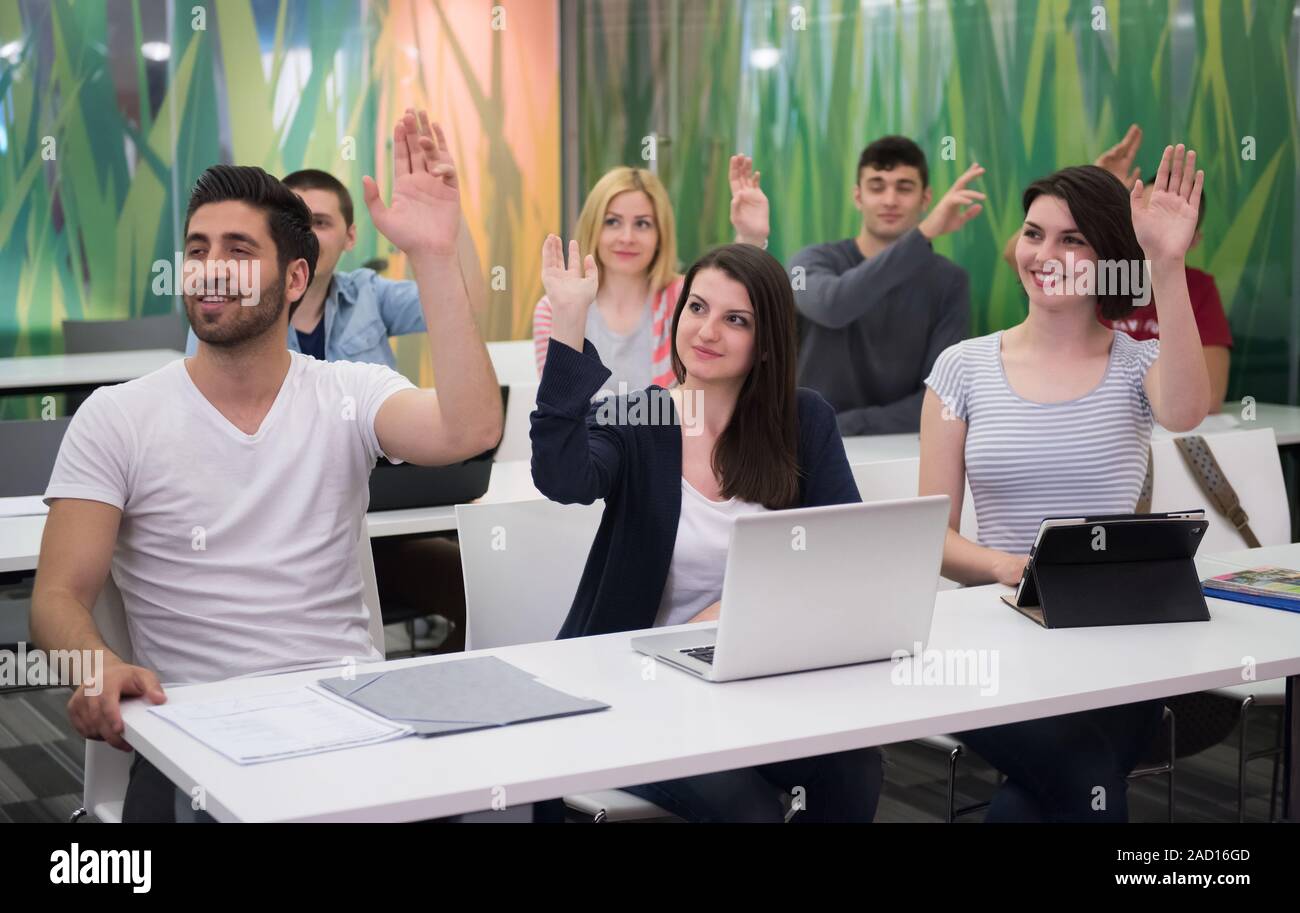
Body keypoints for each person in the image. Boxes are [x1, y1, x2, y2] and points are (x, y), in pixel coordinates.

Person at [31, 110, 502, 822]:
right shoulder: (118, 416)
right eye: (197, 248)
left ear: (295, 277)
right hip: (197, 732)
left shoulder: (347, 391)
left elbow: (469, 428)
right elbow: (57, 596)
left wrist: (435, 256)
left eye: (238, 249)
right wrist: (97, 665)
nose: (211, 266)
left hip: (353, 719)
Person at [529, 239, 880, 822]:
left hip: (758, 681)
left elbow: (847, 552)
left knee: (856, 768)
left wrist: (729, 612)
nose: (707, 331)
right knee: (745, 808)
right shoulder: (641, 416)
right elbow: (563, 479)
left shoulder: (804, 419)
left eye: (735, 319)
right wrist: (569, 321)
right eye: (697, 308)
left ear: (766, 343)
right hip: (640, 691)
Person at [920, 145, 1210, 822]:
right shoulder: (961, 368)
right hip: (1000, 638)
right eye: (1033, 233)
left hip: (1120, 642)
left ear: (1108, 253)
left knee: (1035, 805)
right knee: (1085, 785)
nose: (1044, 253)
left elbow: (1188, 411)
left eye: (1072, 239)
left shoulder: (1138, 364)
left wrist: (1166, 264)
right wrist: (1010, 567)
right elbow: (931, 536)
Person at [1002, 125, 1232, 413]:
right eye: (1140, 214)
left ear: (1193, 239)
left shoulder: (1146, 350)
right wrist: (1087, 191)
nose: (1147, 227)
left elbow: (1196, 403)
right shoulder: (1107, 272)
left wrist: (1166, 263)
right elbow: (1023, 256)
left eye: (1071, 239)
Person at [532, 156, 770, 392]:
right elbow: (557, 404)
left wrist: (751, 238)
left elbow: (735, 291)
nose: (627, 237)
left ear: (660, 235)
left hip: (675, 430)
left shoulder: (686, 298)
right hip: (585, 432)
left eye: (642, 224)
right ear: (593, 227)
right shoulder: (555, 309)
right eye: (613, 222)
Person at [790, 136, 978, 435]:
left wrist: (846, 425)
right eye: (877, 186)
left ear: (925, 198)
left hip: (900, 450)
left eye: (904, 187)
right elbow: (833, 307)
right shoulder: (806, 263)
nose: (890, 200)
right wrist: (924, 233)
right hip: (804, 444)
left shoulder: (949, 281)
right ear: (857, 196)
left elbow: (942, 394)